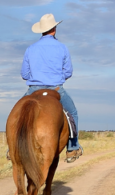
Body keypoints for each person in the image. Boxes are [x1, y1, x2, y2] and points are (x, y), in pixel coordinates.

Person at [21, 13, 82, 162]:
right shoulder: (62, 48)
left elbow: (24, 74)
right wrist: (57, 78)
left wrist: (36, 80)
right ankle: (72, 148)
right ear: (54, 29)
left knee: (18, 114)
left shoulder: (31, 49)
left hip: (34, 89)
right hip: (56, 90)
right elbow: (68, 72)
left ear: (41, 30)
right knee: (72, 113)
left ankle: (12, 147)